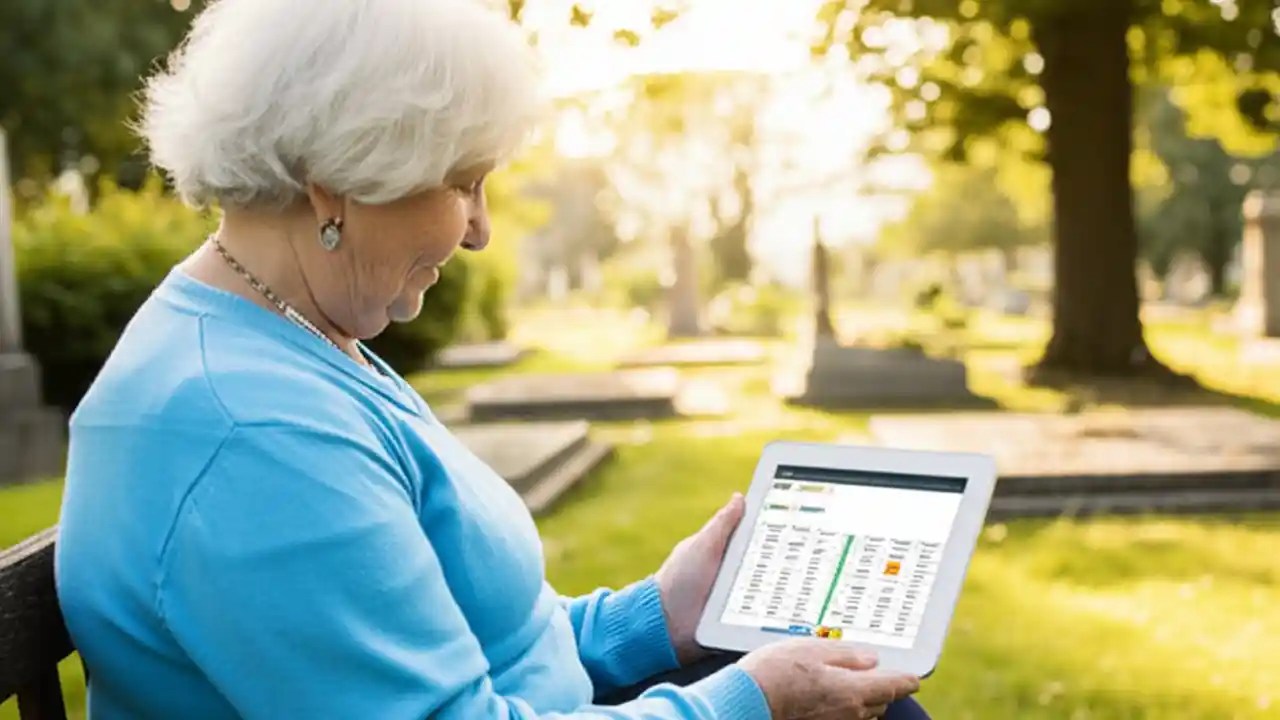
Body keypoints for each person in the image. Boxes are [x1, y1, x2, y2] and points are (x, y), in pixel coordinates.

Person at [54, 1, 930, 718]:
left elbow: (484, 645)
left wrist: (662, 615)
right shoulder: (249, 430)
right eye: (464, 184)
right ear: (339, 182)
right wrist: (750, 703)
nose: (479, 231)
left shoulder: (293, 343)